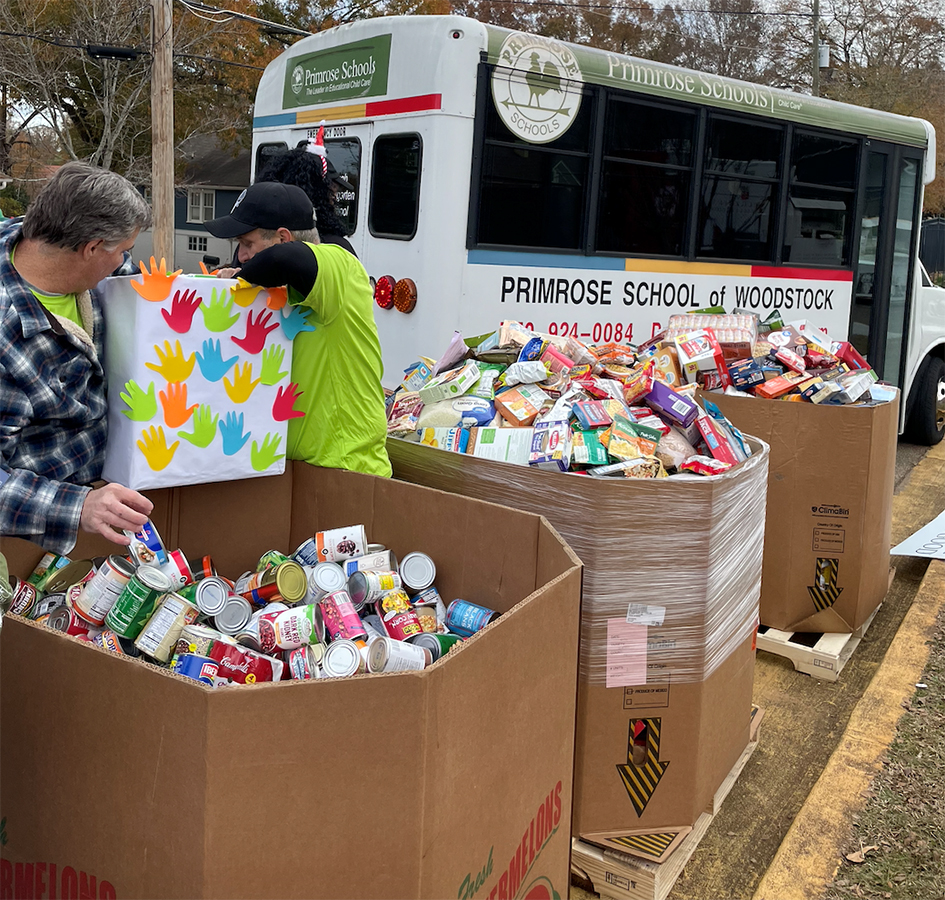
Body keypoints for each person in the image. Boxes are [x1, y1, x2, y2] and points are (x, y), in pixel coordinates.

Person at [0, 162, 155, 554]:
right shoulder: (8, 331)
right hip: (41, 529)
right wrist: (78, 505)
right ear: (90, 248)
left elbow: (133, 282)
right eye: (123, 251)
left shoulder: (37, 240)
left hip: (106, 482)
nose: (125, 264)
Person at [204, 182, 391, 478]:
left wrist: (241, 275)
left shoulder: (340, 268)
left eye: (247, 243)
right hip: (293, 472)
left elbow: (282, 259)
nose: (240, 255)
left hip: (346, 469)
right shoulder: (279, 290)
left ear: (283, 237)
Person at [255, 146, 357, 257]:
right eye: (331, 189)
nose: (335, 195)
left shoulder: (257, 244)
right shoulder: (337, 248)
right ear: (318, 192)